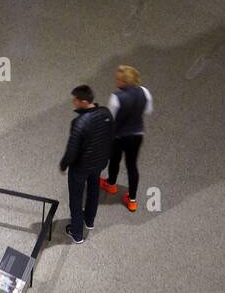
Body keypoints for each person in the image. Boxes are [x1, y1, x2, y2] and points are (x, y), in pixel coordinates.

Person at [59, 85, 114, 243]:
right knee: (93, 190)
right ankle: (89, 220)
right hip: (98, 163)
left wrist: (64, 165)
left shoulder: (79, 122)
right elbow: (111, 136)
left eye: (75, 100)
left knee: (76, 198)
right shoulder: (105, 112)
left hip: (80, 167)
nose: (73, 102)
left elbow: (72, 149)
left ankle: (77, 233)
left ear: (83, 101)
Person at [100, 65, 154, 212]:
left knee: (115, 160)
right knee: (132, 165)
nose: (116, 81)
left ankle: (111, 184)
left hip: (118, 136)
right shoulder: (145, 92)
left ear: (125, 81)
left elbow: (110, 118)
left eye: (118, 79)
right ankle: (132, 200)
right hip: (136, 135)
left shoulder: (116, 98)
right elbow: (148, 110)